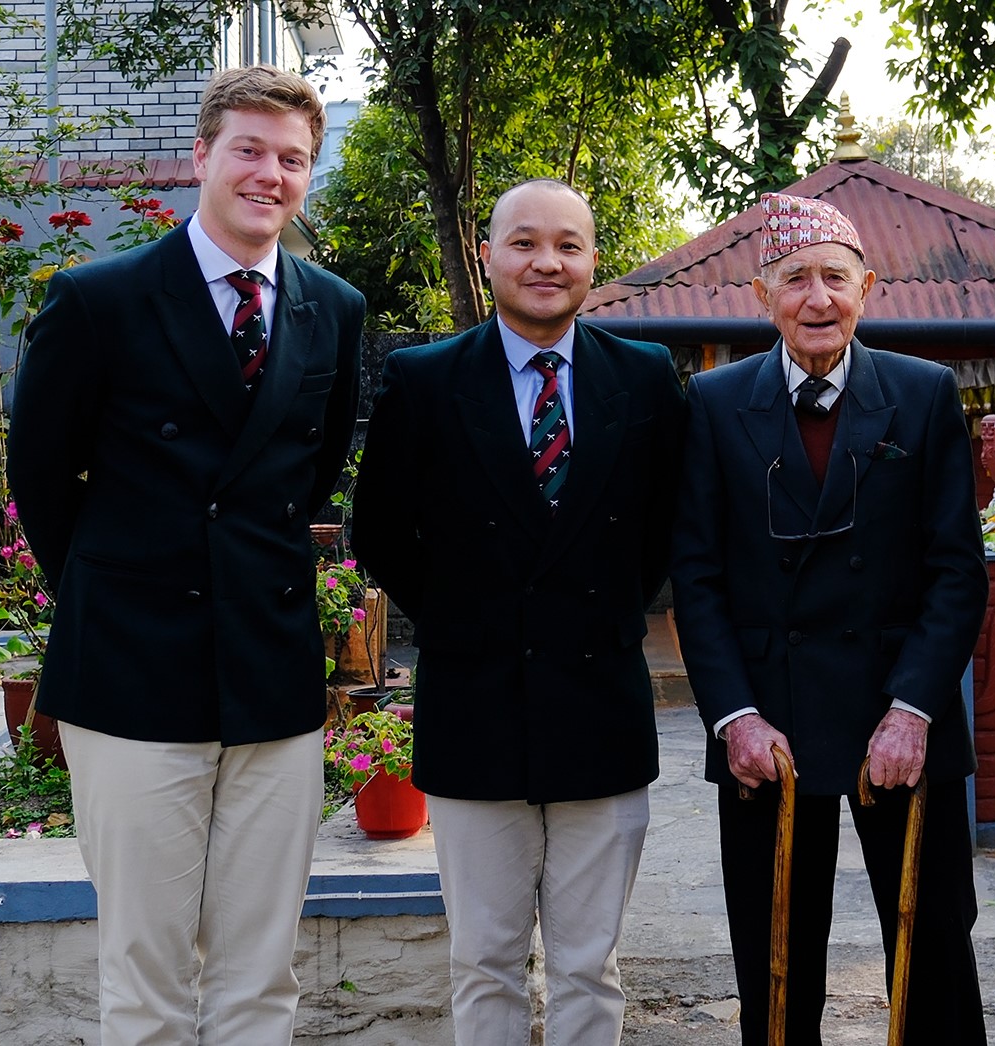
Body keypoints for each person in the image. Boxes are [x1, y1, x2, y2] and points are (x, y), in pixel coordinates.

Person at [7, 64, 365, 1045]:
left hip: (271, 674)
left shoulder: (333, 307)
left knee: (260, 975)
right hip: (128, 673)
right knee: (147, 976)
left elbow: (310, 472)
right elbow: (40, 477)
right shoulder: (99, 300)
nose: (269, 173)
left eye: (292, 159)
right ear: (201, 156)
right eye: (248, 149)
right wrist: (115, 593)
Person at [352, 178, 686, 1046]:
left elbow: (666, 532)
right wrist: (470, 623)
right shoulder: (424, 381)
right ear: (487, 255)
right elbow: (383, 533)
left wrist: (595, 615)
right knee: (485, 962)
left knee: (589, 965)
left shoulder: (645, 379)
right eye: (527, 243)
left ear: (592, 262)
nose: (548, 262)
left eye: (569, 245)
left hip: (600, 708)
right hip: (474, 707)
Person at [671, 192, 990, 1046]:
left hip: (900, 711)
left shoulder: (921, 396)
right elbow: (696, 579)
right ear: (761, 294)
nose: (818, 298)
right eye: (796, 279)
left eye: (836, 279)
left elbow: (957, 571)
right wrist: (733, 717)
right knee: (774, 957)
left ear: (868, 287)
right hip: (767, 724)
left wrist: (914, 710)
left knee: (932, 951)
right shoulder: (713, 403)